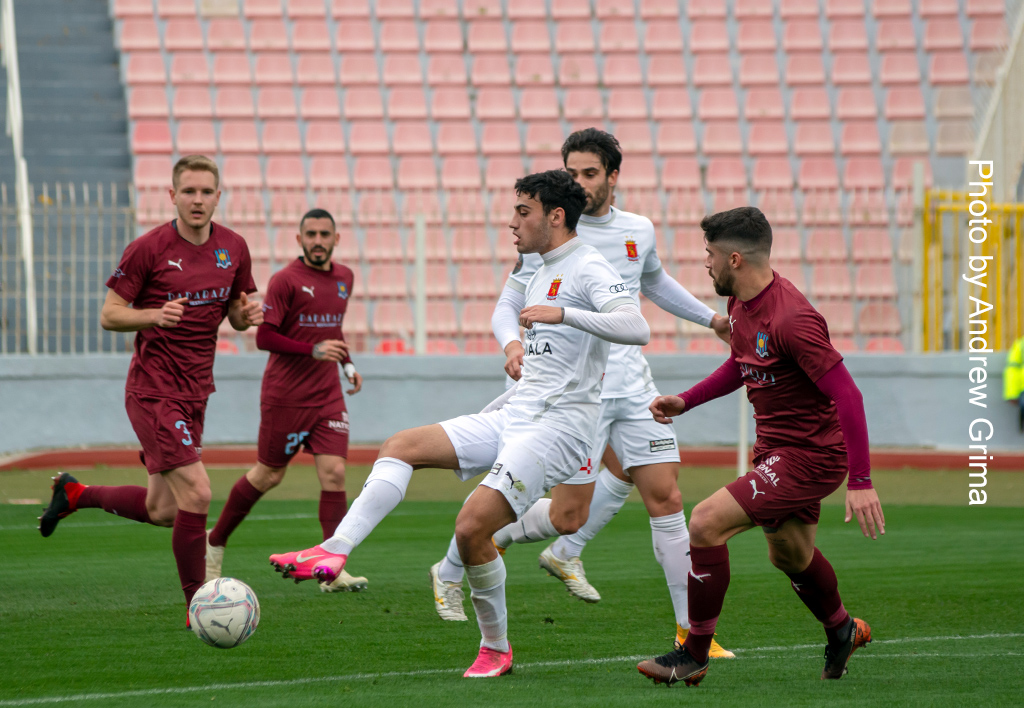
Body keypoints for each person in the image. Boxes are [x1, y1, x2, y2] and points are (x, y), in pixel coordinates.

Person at [268, 170, 650, 677]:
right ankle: (335, 548)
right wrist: (513, 344)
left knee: (474, 527)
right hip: (519, 409)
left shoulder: (589, 267)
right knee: (400, 445)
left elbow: (636, 325)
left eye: (523, 212)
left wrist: (564, 315)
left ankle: (496, 647)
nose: (513, 222)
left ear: (555, 217)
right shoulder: (536, 262)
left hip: (560, 427)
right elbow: (507, 308)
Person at [429, 128, 733, 658]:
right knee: (569, 514)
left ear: (614, 176)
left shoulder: (638, 230)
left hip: (631, 383)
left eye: (590, 173)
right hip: (573, 395)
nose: (579, 183)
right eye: (571, 173)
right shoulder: (546, 235)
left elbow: (654, 285)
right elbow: (511, 302)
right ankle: (467, 555)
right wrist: (511, 345)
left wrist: (711, 319)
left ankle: (693, 636)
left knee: (667, 496)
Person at [636, 206, 884, 686]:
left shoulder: (793, 319)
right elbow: (740, 362)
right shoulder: (740, 303)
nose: (704, 264)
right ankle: (842, 630)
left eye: (708, 255)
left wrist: (862, 481)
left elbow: (848, 395)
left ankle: (693, 653)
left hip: (811, 457)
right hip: (776, 450)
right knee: (789, 555)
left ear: (733, 259)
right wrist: (686, 401)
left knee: (705, 522)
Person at [39, 155, 263, 623]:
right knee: (198, 494)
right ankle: (198, 607)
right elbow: (110, 314)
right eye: (189, 192)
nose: (197, 200)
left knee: (163, 509)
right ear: (172, 195)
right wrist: (153, 314)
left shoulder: (234, 248)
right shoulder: (149, 248)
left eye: (206, 192)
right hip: (153, 390)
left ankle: (75, 493)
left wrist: (248, 316)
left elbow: (237, 314)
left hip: (197, 390)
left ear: (218, 196)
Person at [205, 208, 368, 593]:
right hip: (286, 396)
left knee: (335, 474)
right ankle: (215, 541)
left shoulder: (345, 278)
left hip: (327, 394)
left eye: (324, 234)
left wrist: (347, 365)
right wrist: (313, 351)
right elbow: (264, 338)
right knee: (268, 475)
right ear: (299, 239)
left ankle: (331, 567)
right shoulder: (285, 280)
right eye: (310, 234)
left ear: (335, 239)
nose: (317, 240)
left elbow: (333, 327)